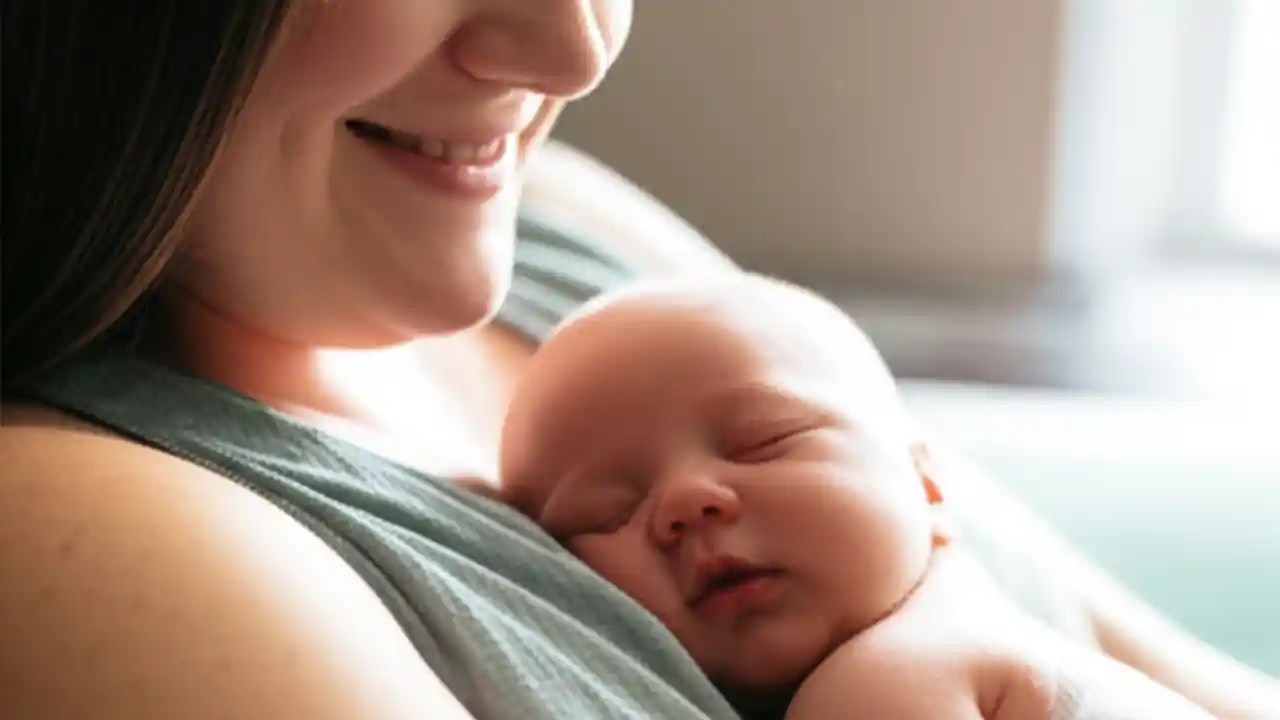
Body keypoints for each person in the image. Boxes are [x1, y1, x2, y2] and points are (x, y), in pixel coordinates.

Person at [1, 2, 1275, 719]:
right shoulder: (67, 536)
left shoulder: (566, 230)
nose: (577, 47)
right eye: (595, 515)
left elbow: (1190, 680)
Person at [499, 274, 1215, 719]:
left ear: (928, 482)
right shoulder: (988, 630)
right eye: (607, 512)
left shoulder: (887, 683)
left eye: (763, 441)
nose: (688, 501)